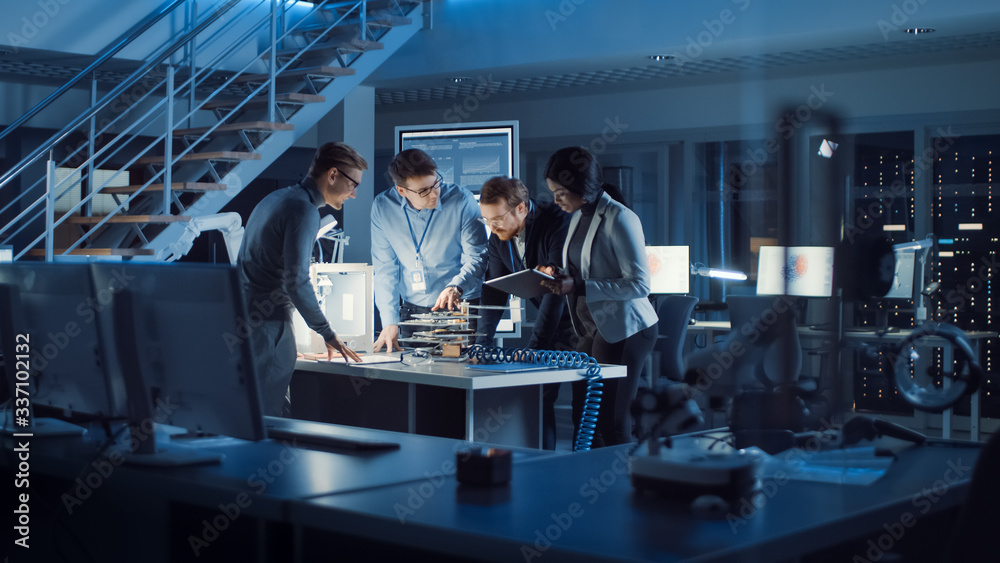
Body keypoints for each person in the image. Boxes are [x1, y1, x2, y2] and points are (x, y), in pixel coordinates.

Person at [539, 146, 659, 447]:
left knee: (611, 420)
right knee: (584, 417)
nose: (556, 200)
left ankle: (621, 486)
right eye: (553, 192)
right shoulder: (580, 215)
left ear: (583, 188)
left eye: (561, 192)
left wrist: (578, 286)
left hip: (626, 328)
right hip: (591, 327)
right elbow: (581, 268)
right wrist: (556, 273)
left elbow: (640, 285)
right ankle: (588, 484)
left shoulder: (620, 218)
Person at [237, 141, 365, 416]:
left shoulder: (276, 198)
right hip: (272, 328)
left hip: (247, 323)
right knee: (269, 420)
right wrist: (328, 333)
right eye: (353, 184)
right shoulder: (304, 210)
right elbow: (296, 282)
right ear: (332, 175)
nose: (354, 194)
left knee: (252, 413)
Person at [476, 175, 576, 450]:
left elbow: (556, 286)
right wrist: (481, 343)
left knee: (585, 405)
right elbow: (494, 290)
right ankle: (542, 467)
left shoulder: (556, 220)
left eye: (496, 219)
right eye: (486, 219)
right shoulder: (499, 236)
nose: (491, 226)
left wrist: (535, 347)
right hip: (550, 318)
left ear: (521, 208)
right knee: (540, 397)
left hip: (582, 322)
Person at [371, 148, 488, 352]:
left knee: (458, 375)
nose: (434, 194)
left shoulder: (461, 200)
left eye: (436, 184)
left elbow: (478, 255)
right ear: (401, 191)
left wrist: (456, 286)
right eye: (424, 191)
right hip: (412, 312)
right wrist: (390, 320)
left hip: (459, 306)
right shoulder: (383, 206)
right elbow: (384, 268)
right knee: (414, 377)